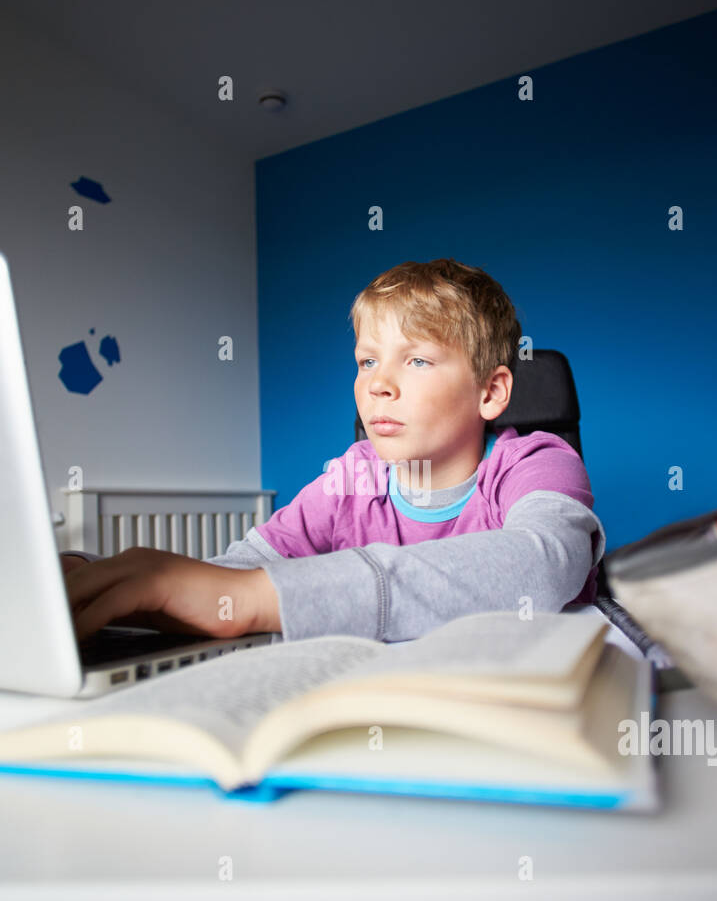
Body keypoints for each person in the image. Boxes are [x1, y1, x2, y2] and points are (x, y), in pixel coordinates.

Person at [61, 258, 605, 644]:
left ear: (490, 392)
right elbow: (242, 572)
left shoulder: (538, 461)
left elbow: (544, 563)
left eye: (416, 360)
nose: (377, 385)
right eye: (367, 361)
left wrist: (255, 600)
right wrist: (110, 580)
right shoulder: (353, 477)